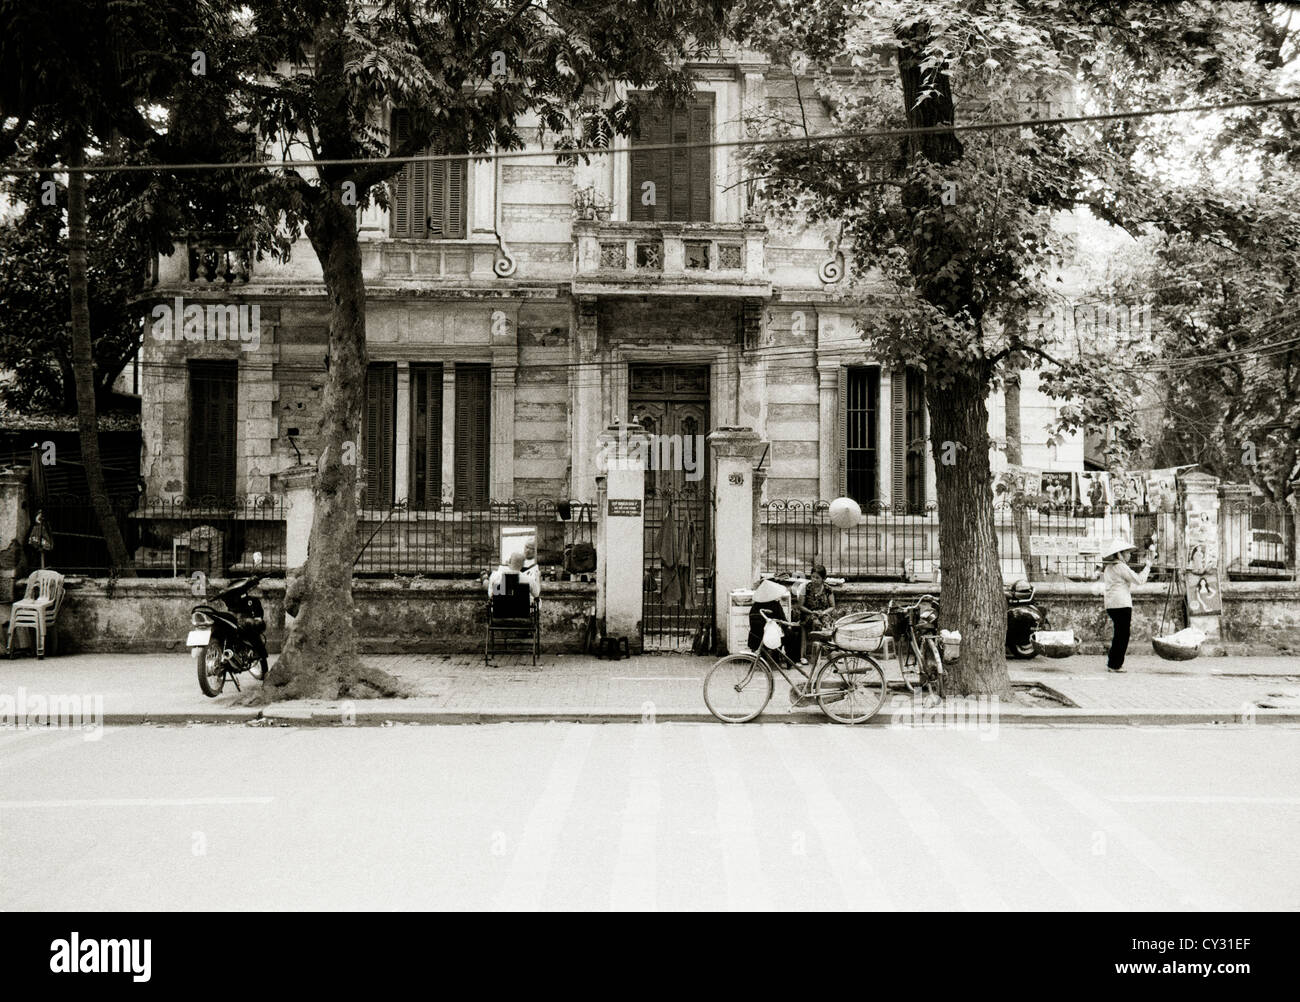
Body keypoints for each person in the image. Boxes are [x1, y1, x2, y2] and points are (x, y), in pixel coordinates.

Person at [1099, 538, 1152, 673]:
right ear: (1120, 554)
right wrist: (1148, 567)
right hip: (1121, 604)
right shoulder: (1120, 566)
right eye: (1127, 553)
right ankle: (1115, 664)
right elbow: (1139, 580)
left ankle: (1113, 662)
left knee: (1119, 634)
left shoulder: (1109, 567)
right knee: (1123, 635)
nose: (1129, 555)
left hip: (1111, 604)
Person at [747, 575, 800, 661]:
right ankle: (792, 661)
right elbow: (784, 622)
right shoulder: (775, 605)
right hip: (771, 636)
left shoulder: (755, 606)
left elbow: (753, 624)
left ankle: (767, 658)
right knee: (791, 634)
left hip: (756, 638)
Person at [793, 563, 835, 664]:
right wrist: (812, 612)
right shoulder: (806, 588)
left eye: (817, 578)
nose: (814, 580)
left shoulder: (828, 589)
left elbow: (832, 606)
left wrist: (823, 612)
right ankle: (806, 656)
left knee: (829, 624)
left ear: (823, 579)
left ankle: (831, 653)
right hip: (808, 614)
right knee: (815, 622)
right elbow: (800, 606)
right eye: (812, 577)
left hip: (822, 613)